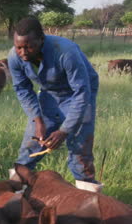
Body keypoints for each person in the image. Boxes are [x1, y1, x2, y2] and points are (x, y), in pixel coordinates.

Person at [7, 17, 101, 192]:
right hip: (50, 93)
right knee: (33, 142)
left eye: (29, 46)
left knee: (79, 148)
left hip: (79, 93)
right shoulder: (14, 57)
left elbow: (82, 93)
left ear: (41, 40)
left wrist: (64, 131)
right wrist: (38, 120)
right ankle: (16, 195)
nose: (23, 52)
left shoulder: (65, 52)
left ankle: (89, 197)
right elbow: (22, 89)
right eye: (19, 47)